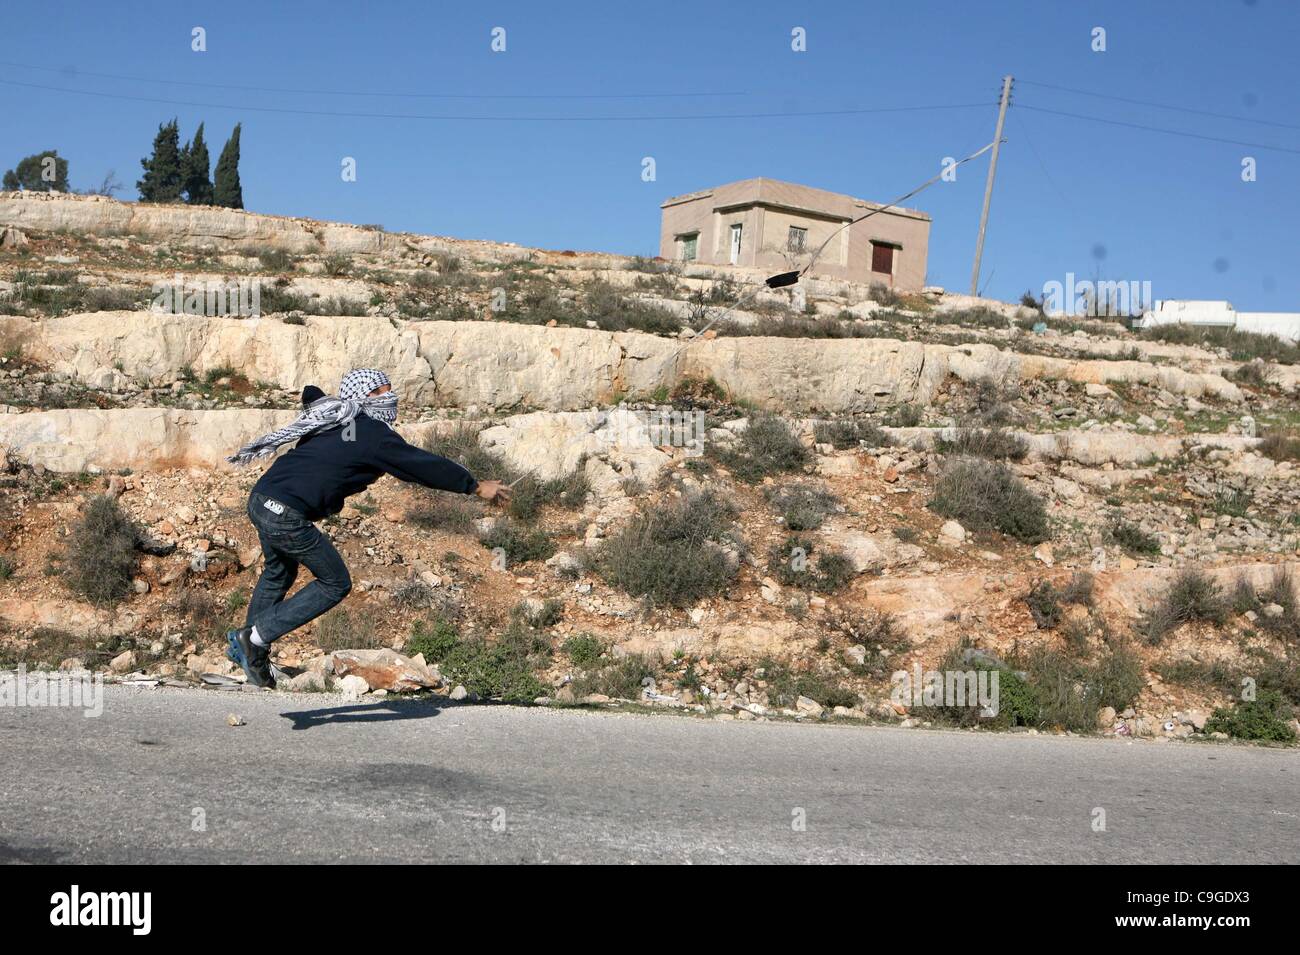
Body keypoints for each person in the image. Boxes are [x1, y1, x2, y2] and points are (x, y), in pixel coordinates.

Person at [223, 368, 510, 688]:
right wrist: (472, 485)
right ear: (364, 397)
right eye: (381, 392)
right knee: (334, 582)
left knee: (279, 572)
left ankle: (250, 652)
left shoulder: (334, 418)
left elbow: (313, 395)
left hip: (263, 499)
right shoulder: (371, 433)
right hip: (285, 513)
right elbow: (420, 465)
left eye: (390, 389)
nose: (390, 397)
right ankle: (254, 639)